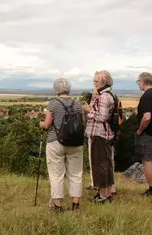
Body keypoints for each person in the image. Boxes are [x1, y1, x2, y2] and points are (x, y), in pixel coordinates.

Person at [40, 78, 84, 212]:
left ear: (56, 90)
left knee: (56, 175)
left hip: (56, 142)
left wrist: (40, 124)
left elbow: (47, 125)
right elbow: (82, 123)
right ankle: (76, 205)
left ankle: (58, 206)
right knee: (76, 174)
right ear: (68, 88)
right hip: (76, 143)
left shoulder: (53, 103)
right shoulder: (77, 103)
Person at [83, 70, 115, 204]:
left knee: (100, 165)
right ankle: (106, 194)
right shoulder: (107, 95)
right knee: (106, 165)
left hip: (99, 134)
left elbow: (103, 117)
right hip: (104, 134)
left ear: (104, 82)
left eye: (96, 81)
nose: (94, 83)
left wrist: (88, 111)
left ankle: (102, 196)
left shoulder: (104, 97)